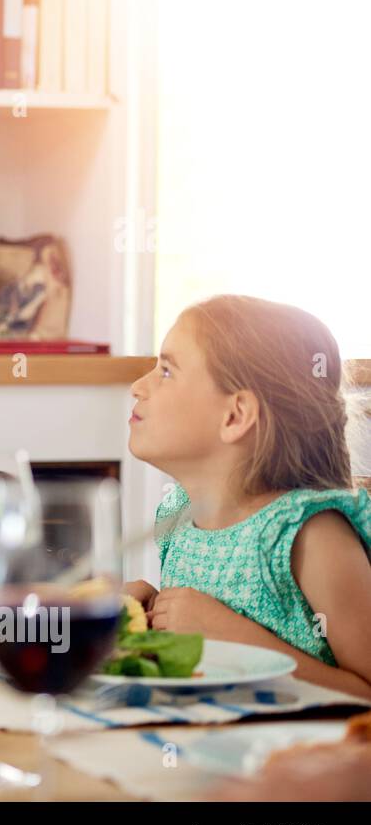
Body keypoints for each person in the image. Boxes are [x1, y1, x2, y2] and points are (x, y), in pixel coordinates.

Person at [126, 294, 371, 698]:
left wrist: (236, 638)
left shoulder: (307, 535)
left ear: (235, 416)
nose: (138, 386)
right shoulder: (178, 520)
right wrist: (144, 620)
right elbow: (199, 652)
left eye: (166, 371)